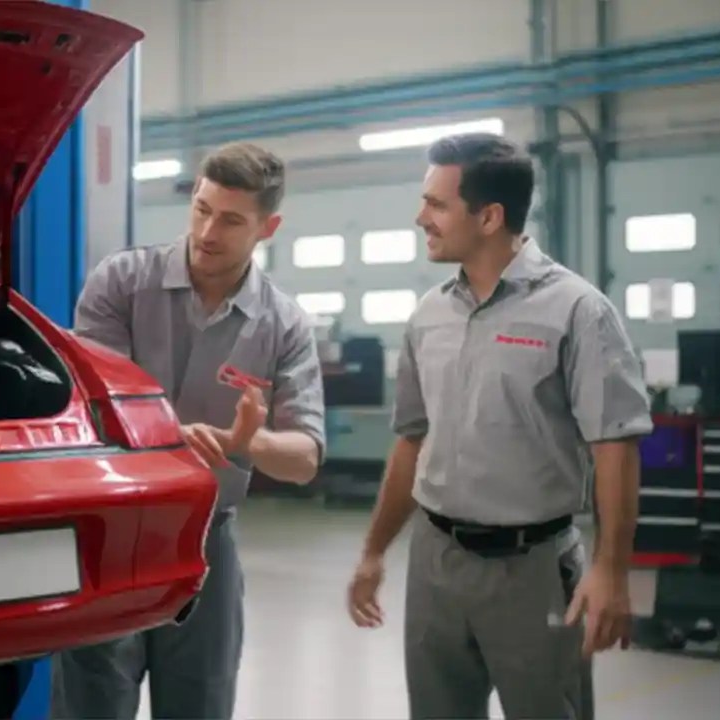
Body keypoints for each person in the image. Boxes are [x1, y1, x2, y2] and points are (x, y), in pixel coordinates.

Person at [346, 132, 651, 720]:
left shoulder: (577, 311)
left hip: (532, 568)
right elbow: (412, 439)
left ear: (489, 216)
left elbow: (615, 443)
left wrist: (612, 569)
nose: (420, 218)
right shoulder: (429, 315)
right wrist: (374, 551)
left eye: (436, 204)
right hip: (436, 564)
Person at [52, 142, 326, 720]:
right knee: (91, 703)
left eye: (230, 220)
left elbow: (304, 459)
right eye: (201, 209)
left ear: (267, 226)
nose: (207, 231)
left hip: (209, 540)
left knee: (199, 704)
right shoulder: (122, 282)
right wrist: (177, 435)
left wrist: (249, 441)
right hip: (110, 536)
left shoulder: (283, 324)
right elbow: (93, 408)